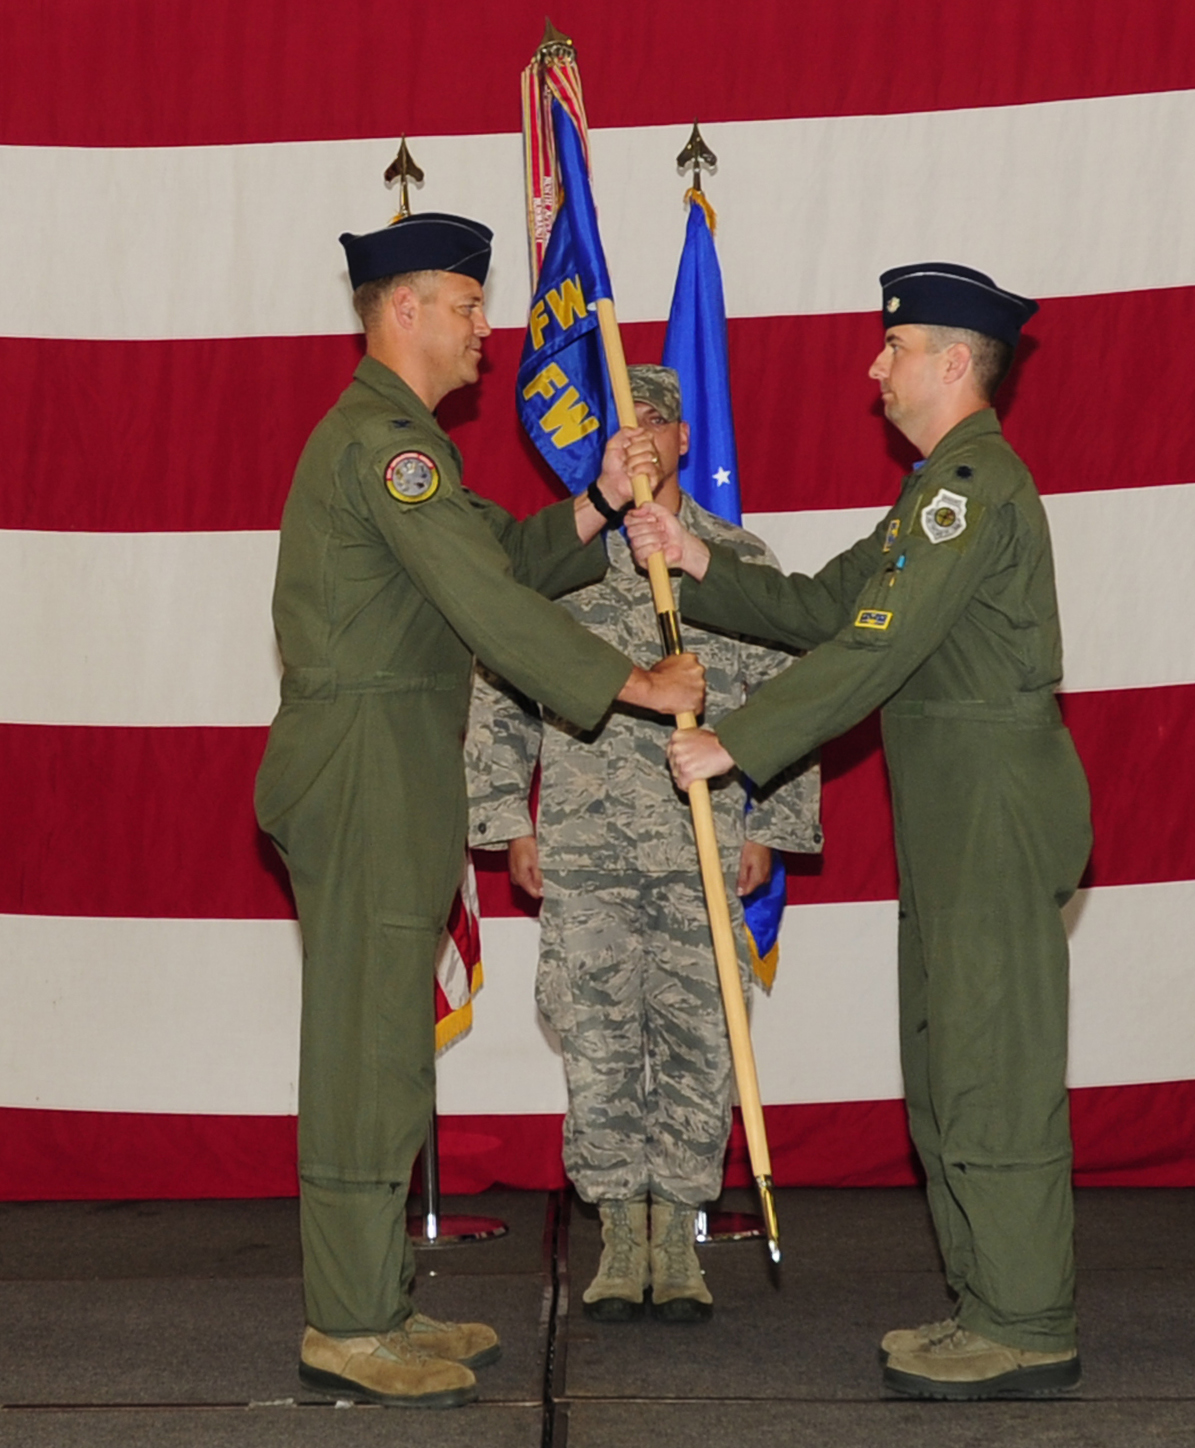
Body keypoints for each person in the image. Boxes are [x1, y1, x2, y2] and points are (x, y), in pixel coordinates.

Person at [253, 213, 704, 1409]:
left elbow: (492, 553)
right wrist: (631, 683)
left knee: (389, 1046)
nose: (485, 327)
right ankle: (347, 1321)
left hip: (386, 763)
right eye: (464, 304)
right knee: (363, 1052)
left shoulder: (406, 449)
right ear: (404, 311)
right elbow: (486, 607)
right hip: (362, 766)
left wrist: (601, 505)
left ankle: (378, 1297)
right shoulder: (385, 447)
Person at [626, 264, 1092, 1399]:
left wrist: (735, 739)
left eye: (895, 350)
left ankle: (1028, 1320)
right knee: (947, 1061)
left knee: (991, 1064)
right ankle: (987, 1299)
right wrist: (698, 563)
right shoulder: (937, 489)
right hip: (957, 808)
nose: (874, 367)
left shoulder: (969, 488)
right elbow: (829, 604)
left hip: (993, 804)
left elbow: (873, 649)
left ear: (950, 364)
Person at [465, 365, 821, 1323]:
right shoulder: (567, 559)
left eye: (657, 419)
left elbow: (786, 691)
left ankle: (684, 1240)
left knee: (702, 1041)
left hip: (703, 841)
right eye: (624, 423)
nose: (642, 436)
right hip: (584, 843)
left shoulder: (732, 556)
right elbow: (500, 685)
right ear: (602, 447)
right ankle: (623, 1232)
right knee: (599, 1041)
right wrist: (508, 819)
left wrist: (774, 826)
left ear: (684, 441)